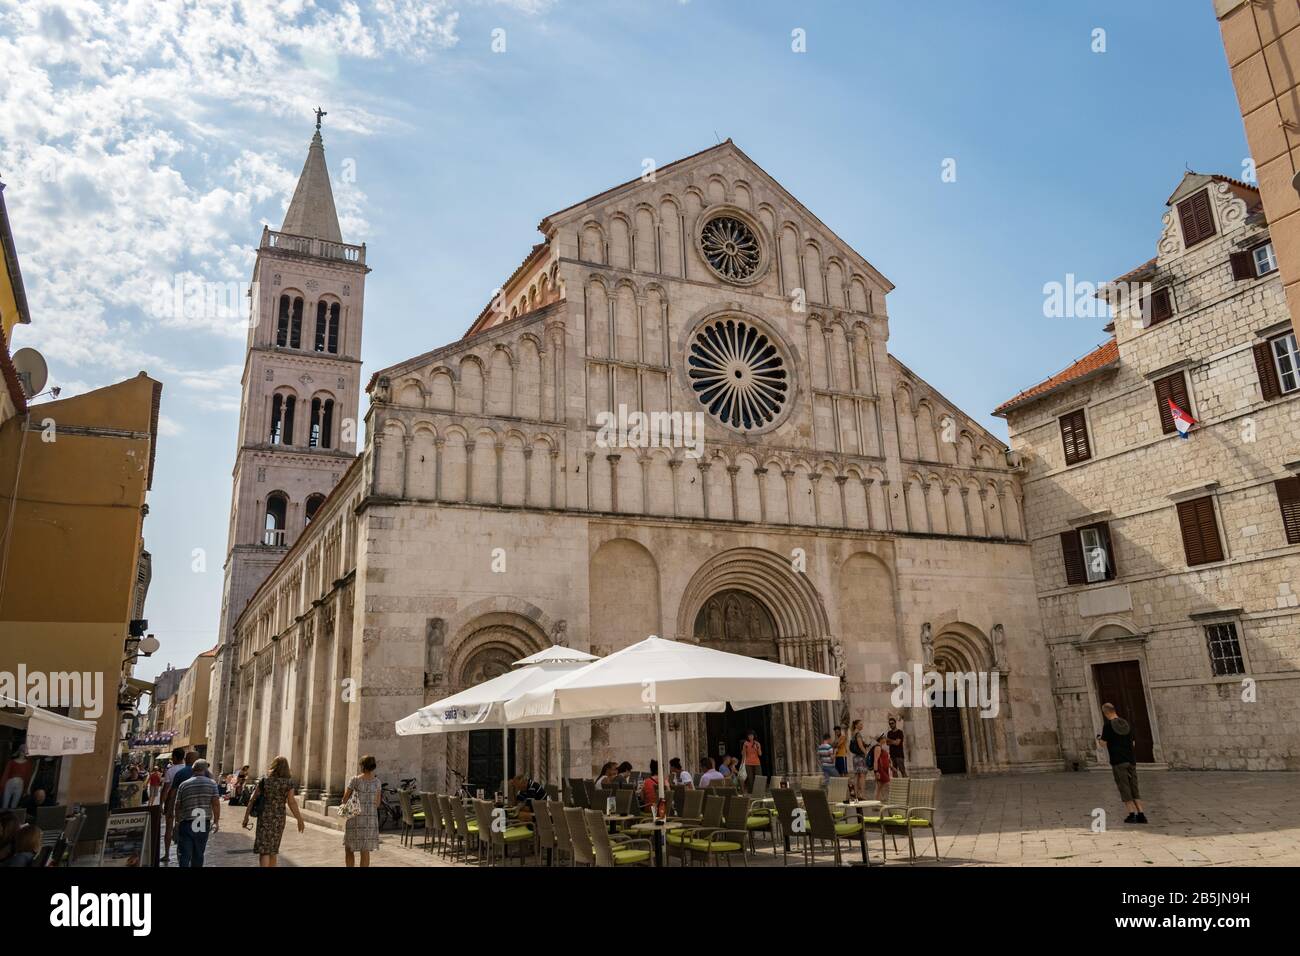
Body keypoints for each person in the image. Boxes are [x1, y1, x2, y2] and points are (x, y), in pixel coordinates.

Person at [242, 755, 305, 867]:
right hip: (279, 818)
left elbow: (252, 799)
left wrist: (246, 817)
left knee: (264, 850)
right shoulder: (288, 782)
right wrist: (299, 819)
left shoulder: (265, 781)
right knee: (273, 850)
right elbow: (292, 802)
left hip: (264, 817)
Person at [1098, 703, 1147, 823]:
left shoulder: (1108, 726)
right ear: (1114, 710)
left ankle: (1132, 814)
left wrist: (1099, 738)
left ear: (1105, 713)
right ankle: (1141, 814)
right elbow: (1133, 743)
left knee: (1124, 787)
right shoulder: (1126, 723)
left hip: (1118, 761)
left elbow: (1103, 744)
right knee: (1134, 787)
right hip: (1131, 760)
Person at [175, 759, 220, 867]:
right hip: (202, 821)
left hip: (187, 821)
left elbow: (178, 805)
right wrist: (216, 821)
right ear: (205, 769)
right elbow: (215, 804)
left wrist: (177, 821)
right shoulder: (212, 784)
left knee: (185, 854)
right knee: (199, 853)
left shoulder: (183, 785)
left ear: (193, 769)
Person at [342, 755, 382, 867]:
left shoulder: (355, 780)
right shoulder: (377, 782)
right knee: (365, 851)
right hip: (370, 821)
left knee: (349, 848)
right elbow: (377, 803)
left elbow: (344, 799)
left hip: (355, 819)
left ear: (362, 766)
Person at [0, 745, 34, 810]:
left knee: (14, 807)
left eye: (24, 752)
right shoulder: (11, 762)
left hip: (19, 786)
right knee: (4, 806)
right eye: (22, 751)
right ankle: (3, 819)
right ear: (19, 751)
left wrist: (26, 790)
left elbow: (28, 777)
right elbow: (5, 774)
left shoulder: (28, 764)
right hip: (9, 784)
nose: (23, 753)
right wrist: (1, 787)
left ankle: (11, 820)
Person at [849, 719, 870, 798]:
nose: (862, 726)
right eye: (860, 724)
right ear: (856, 725)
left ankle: (856, 794)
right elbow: (860, 746)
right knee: (862, 775)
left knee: (857, 776)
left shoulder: (853, 734)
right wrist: (867, 753)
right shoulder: (858, 734)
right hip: (860, 757)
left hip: (855, 757)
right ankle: (862, 794)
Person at [872, 734, 892, 800]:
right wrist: (876, 771)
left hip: (884, 770)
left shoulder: (880, 747)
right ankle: (885, 800)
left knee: (879, 787)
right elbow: (875, 760)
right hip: (880, 770)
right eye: (884, 738)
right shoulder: (878, 747)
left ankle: (877, 803)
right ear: (881, 739)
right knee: (887, 785)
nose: (885, 739)